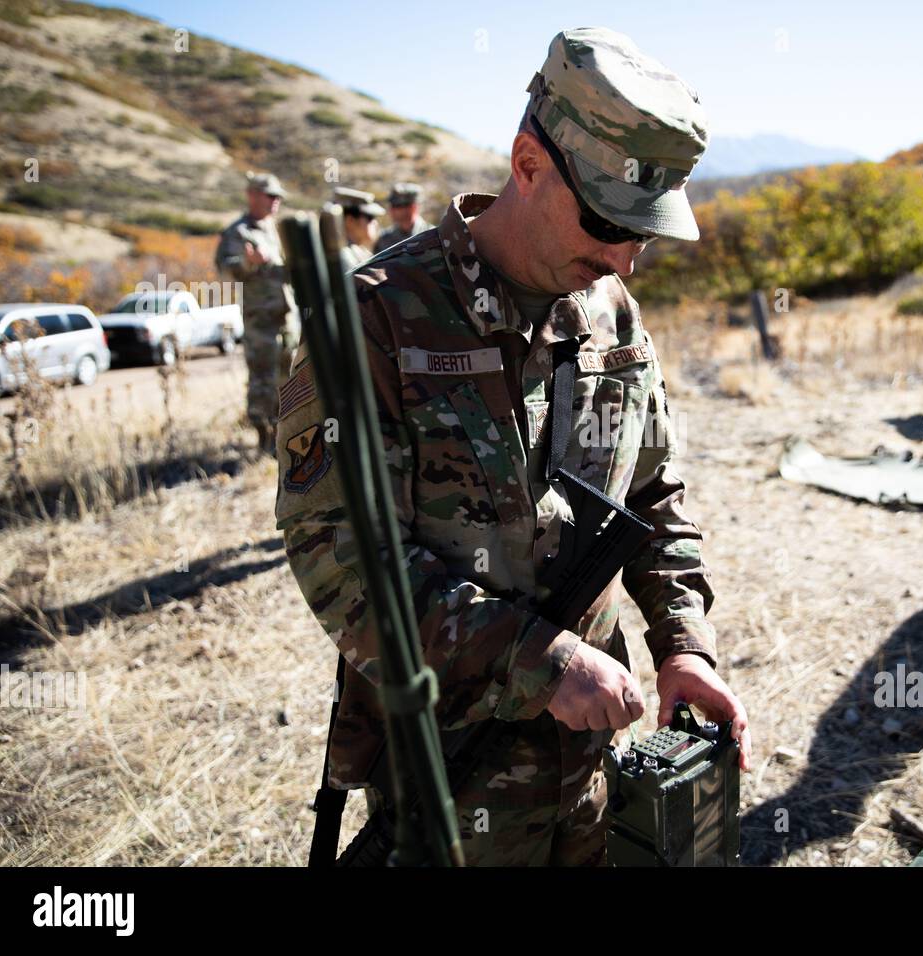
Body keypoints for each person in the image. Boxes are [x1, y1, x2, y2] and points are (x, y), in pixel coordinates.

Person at [275, 26, 749, 865]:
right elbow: (340, 557)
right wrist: (539, 658)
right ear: (526, 163)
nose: (624, 260)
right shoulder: (375, 318)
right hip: (454, 774)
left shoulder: (611, 315)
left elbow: (652, 496)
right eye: (606, 220)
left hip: (596, 769)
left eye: (645, 230)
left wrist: (682, 644)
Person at [215, 171, 299, 455]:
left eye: (279, 197)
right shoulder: (239, 232)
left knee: (288, 379)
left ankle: (286, 437)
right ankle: (265, 440)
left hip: (288, 320)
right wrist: (249, 263)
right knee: (263, 382)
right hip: (261, 323)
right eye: (270, 196)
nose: (276, 201)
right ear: (252, 195)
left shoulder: (279, 230)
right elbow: (225, 270)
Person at [332, 187, 385, 270]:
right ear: (350, 221)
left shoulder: (358, 252)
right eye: (370, 217)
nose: (375, 223)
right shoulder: (344, 257)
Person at [376, 182, 431, 252]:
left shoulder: (431, 236)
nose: (391, 210)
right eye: (391, 205)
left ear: (412, 208)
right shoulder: (384, 239)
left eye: (397, 205)